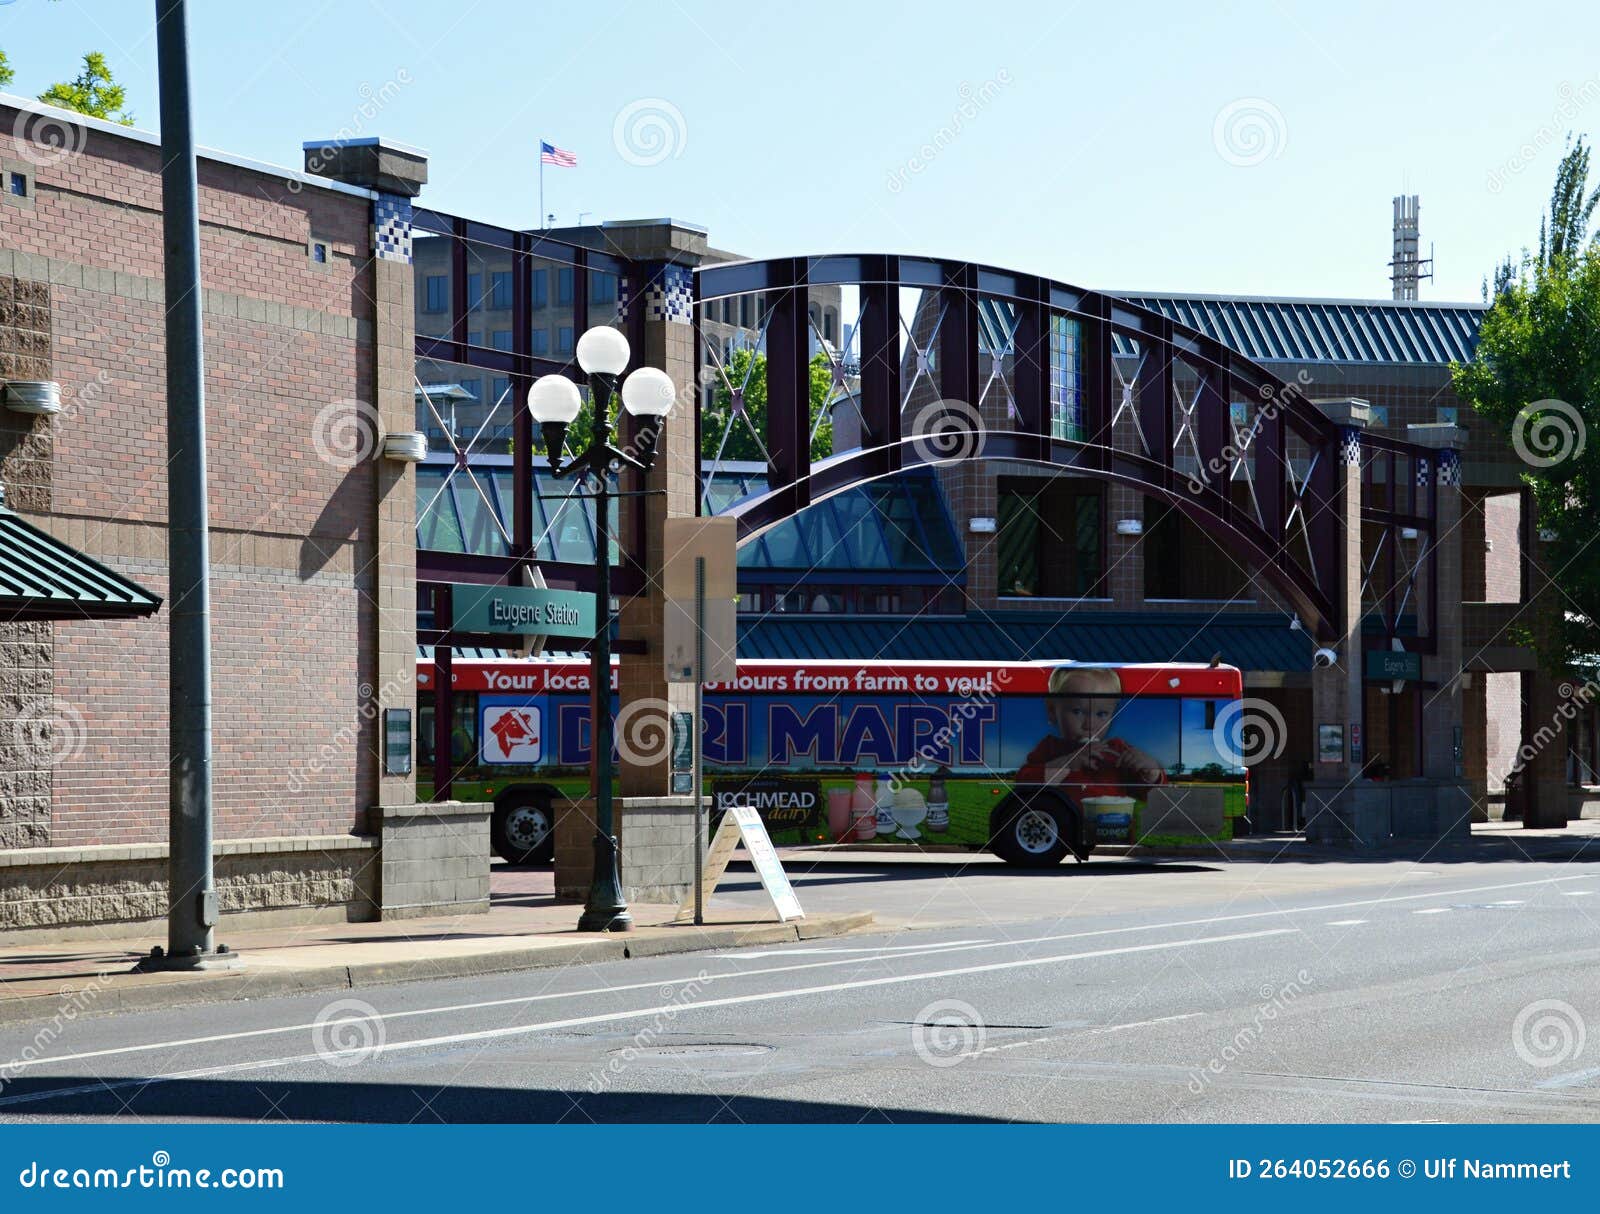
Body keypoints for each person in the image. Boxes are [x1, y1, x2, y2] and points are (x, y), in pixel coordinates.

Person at [1019, 665, 1166, 794]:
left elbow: (1145, 790)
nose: (1089, 725)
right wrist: (1068, 764)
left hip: (1113, 823)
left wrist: (1152, 772)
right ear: (1052, 711)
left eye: (1101, 714)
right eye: (1077, 711)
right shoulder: (1049, 747)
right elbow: (1024, 782)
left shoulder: (1118, 749)